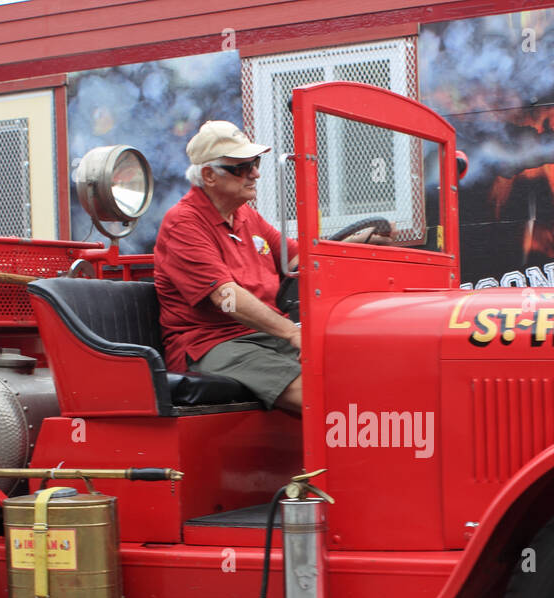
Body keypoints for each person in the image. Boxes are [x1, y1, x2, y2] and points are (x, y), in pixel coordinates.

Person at [154, 120, 386, 414]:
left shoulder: (246, 216)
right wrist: (291, 331)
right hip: (213, 344)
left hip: (261, 337)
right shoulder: (183, 223)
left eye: (255, 162)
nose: (255, 174)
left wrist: (363, 243)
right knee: (327, 399)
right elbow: (226, 299)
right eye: (241, 167)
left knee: (362, 369)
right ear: (209, 175)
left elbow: (300, 259)